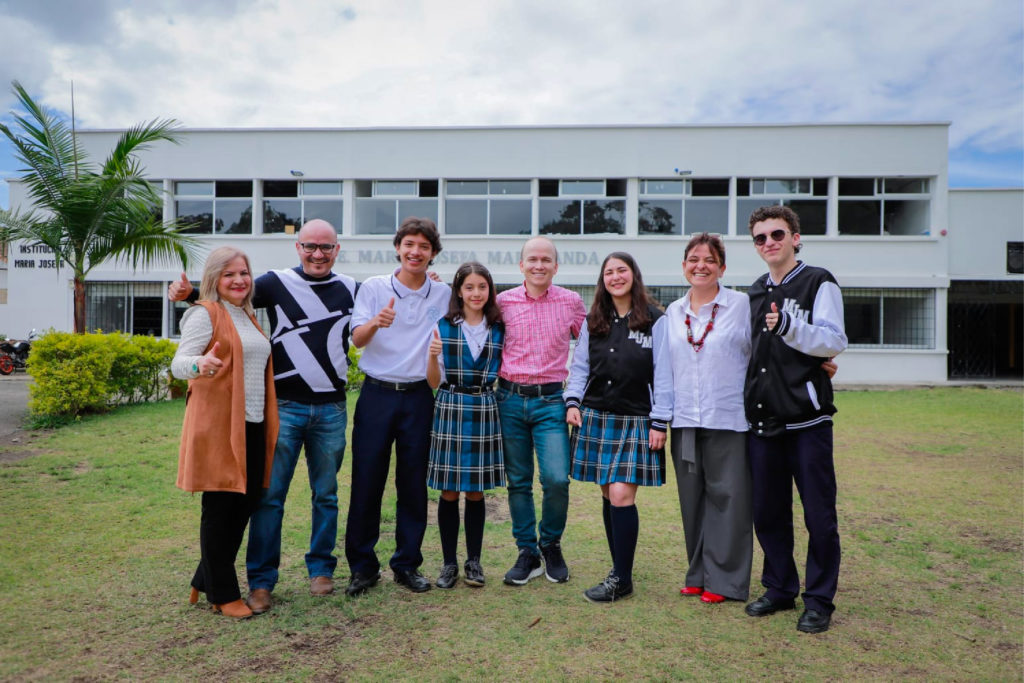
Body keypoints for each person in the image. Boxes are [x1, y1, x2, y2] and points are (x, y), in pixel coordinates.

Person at [168, 219, 357, 614]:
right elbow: (219, 300)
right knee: (268, 499)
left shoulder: (352, 288)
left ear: (337, 249)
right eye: (309, 246)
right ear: (298, 248)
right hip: (282, 408)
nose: (317, 254)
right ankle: (261, 582)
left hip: (330, 408)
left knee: (325, 495)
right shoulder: (274, 283)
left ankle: (321, 569)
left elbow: (232, 303)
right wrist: (188, 297)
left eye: (326, 247)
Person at [743, 205, 848, 634]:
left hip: (807, 421)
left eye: (777, 234)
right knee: (768, 512)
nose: (770, 243)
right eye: (761, 238)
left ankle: (819, 599)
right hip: (763, 423)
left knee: (819, 516)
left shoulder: (818, 281)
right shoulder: (753, 291)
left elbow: (834, 340)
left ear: (795, 237)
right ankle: (780, 588)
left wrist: (789, 326)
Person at [345, 217, 450, 596]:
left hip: (420, 397)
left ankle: (407, 564)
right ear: (398, 247)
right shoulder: (374, 288)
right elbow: (357, 340)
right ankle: (362, 566)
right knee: (367, 481)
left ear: (433, 254)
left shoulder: (442, 294)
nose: (415, 252)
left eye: (423, 246)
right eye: (409, 244)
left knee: (413, 484)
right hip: (376, 395)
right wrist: (377, 322)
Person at [171, 246, 277, 620]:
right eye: (230, 274)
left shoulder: (247, 315)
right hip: (219, 426)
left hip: (252, 423)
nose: (239, 280)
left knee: (245, 505)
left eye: (244, 273)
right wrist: (201, 363)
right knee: (220, 510)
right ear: (215, 279)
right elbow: (179, 362)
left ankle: (205, 575)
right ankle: (223, 593)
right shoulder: (205, 313)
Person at [564, 252, 670, 603]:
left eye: (621, 270)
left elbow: (665, 373)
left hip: (639, 419)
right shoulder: (594, 319)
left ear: (633, 275)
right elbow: (580, 367)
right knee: (609, 493)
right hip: (596, 416)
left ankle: (621, 579)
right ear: (602, 280)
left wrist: (660, 421)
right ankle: (617, 568)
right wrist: (573, 402)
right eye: (608, 272)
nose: (615, 277)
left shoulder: (656, 320)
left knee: (623, 494)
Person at [656, 233, 753, 606]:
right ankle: (698, 573)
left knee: (728, 499)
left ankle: (725, 580)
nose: (701, 266)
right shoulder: (672, 314)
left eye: (709, 260)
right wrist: (661, 418)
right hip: (684, 420)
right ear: (684, 267)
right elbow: (664, 371)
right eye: (694, 259)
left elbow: (763, 353)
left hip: (728, 417)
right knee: (692, 499)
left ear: (722, 268)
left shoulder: (742, 306)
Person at [496, 236, 587, 585]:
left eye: (546, 260)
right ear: (521, 265)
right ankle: (527, 552)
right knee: (518, 481)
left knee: (555, 478)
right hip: (509, 400)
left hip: (552, 401)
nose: (538, 265)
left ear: (555, 266)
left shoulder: (571, 302)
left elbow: (593, 343)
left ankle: (550, 543)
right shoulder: (502, 302)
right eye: (532, 259)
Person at [426, 262, 505, 589]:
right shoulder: (442, 326)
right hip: (450, 405)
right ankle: (448, 564)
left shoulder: (499, 327)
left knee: (475, 490)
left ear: (490, 291)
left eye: (482, 287)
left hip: (485, 406)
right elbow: (433, 382)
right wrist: (432, 357)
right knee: (449, 490)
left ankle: (474, 562)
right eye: (469, 287)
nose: (476, 293)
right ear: (458, 290)